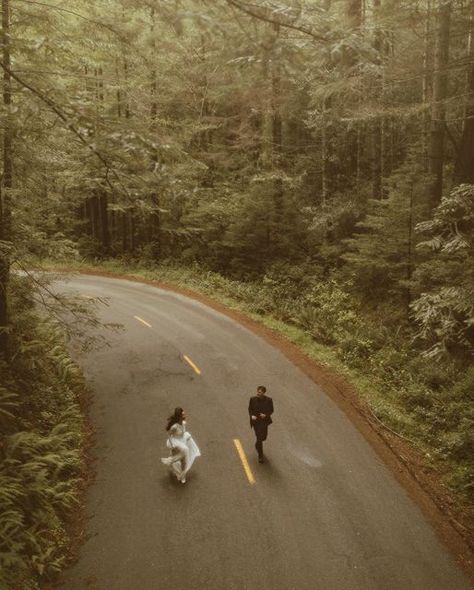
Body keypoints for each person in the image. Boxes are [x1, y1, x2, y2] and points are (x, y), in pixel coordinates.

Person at [161, 407, 201, 484]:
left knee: (184, 461)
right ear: (179, 416)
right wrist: (172, 444)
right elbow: (169, 434)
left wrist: (187, 437)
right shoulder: (174, 426)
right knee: (183, 453)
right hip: (175, 444)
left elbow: (183, 432)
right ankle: (171, 460)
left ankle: (182, 476)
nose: (184, 415)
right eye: (182, 414)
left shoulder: (183, 422)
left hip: (182, 441)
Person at [248, 385, 274, 463]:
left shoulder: (269, 400)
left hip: (264, 421)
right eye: (258, 392)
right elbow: (250, 409)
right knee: (259, 438)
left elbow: (271, 410)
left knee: (264, 437)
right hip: (256, 422)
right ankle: (260, 456)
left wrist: (266, 415)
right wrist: (252, 415)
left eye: (260, 392)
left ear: (263, 393)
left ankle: (257, 444)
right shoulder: (252, 399)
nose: (258, 393)